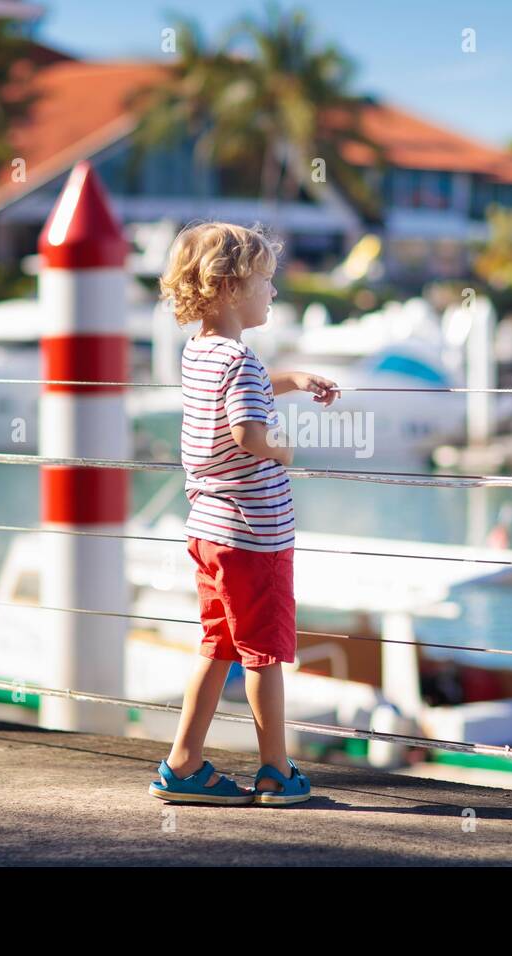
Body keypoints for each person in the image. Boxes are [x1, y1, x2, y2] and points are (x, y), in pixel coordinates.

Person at [148, 221, 339, 806]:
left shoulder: (201, 353)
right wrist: (281, 448)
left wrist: (292, 379)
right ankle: (275, 771)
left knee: (216, 647)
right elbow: (247, 429)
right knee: (265, 655)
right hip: (253, 537)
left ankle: (183, 762)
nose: (272, 294)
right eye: (265, 283)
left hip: (209, 530)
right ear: (231, 288)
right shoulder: (242, 362)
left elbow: (240, 388)